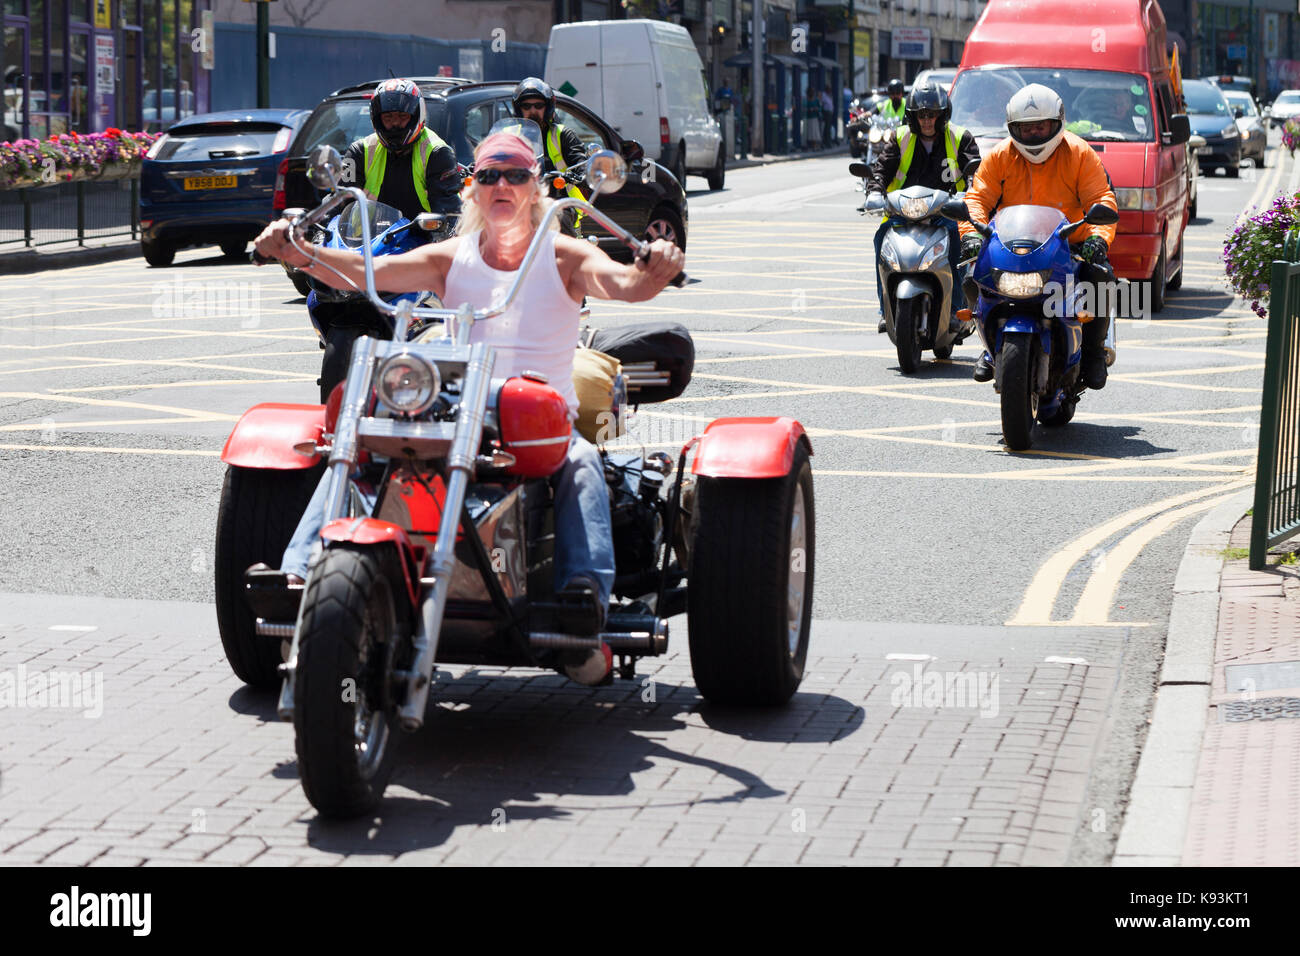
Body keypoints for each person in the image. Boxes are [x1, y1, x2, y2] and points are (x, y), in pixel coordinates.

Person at [252, 127, 685, 685]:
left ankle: (585, 599)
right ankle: (297, 576)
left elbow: (621, 282)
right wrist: (300, 252)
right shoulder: (451, 257)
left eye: (516, 175)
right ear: (473, 189)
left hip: (540, 418)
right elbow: (366, 272)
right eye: (489, 175)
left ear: (535, 188)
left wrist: (651, 271)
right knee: (356, 447)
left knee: (581, 463)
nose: (502, 184)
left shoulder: (563, 254)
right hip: (460, 409)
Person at [958, 83, 1119, 389]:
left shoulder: (1080, 153)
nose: (1033, 134)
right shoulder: (1000, 155)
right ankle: (990, 347)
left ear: (1057, 123)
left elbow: (1101, 197)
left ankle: (1093, 351)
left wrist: (1098, 238)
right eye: (1026, 128)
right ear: (1013, 128)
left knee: (1102, 278)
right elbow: (976, 198)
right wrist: (971, 235)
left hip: (1071, 244)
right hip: (1010, 244)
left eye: (1040, 126)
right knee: (971, 277)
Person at [866, 82, 981, 333]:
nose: (927, 120)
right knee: (880, 237)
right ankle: (886, 310)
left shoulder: (960, 137)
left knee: (959, 239)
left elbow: (976, 171)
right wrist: (874, 190)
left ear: (943, 114)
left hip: (947, 211)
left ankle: (957, 310)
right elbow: (881, 168)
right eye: (921, 115)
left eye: (932, 114)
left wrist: (970, 193)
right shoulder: (900, 137)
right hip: (903, 211)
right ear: (913, 116)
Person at [341, 78, 462, 222]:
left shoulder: (437, 153)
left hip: (422, 234)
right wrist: (321, 223)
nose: (395, 123)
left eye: (402, 116)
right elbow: (340, 199)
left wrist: (440, 229)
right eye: (388, 117)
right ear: (377, 119)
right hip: (370, 235)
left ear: (416, 116)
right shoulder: (358, 152)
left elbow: (449, 211)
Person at [511, 77, 588, 237]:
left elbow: (581, 161)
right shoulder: (510, 135)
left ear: (548, 107)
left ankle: (565, 252)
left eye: (538, 105)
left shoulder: (562, 134)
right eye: (526, 106)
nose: (532, 110)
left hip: (557, 201)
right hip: (518, 201)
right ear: (519, 109)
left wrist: (581, 173)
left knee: (559, 219)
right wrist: (477, 169)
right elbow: (491, 159)